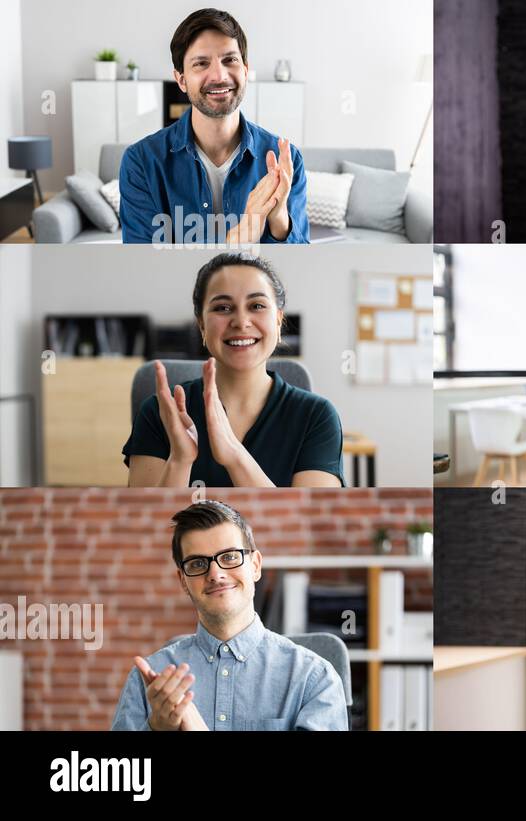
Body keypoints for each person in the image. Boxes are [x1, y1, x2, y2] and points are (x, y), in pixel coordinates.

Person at [111, 500, 348, 730]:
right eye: (196, 564)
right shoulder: (149, 681)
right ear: (183, 581)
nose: (215, 574)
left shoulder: (315, 678)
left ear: (255, 565)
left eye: (229, 557)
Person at [124, 252, 344, 487]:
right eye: (223, 307)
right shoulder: (158, 412)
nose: (241, 321)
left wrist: (234, 456)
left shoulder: (317, 416)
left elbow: (304, 521)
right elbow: (150, 522)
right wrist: (180, 461)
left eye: (257, 305)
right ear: (201, 325)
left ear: (278, 321)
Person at [118, 8, 308, 244]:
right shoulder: (142, 163)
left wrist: (278, 219)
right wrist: (237, 239)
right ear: (181, 80)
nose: (219, 75)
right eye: (201, 63)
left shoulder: (285, 162)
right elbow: (142, 269)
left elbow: (295, 271)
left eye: (230, 60)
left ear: (246, 70)